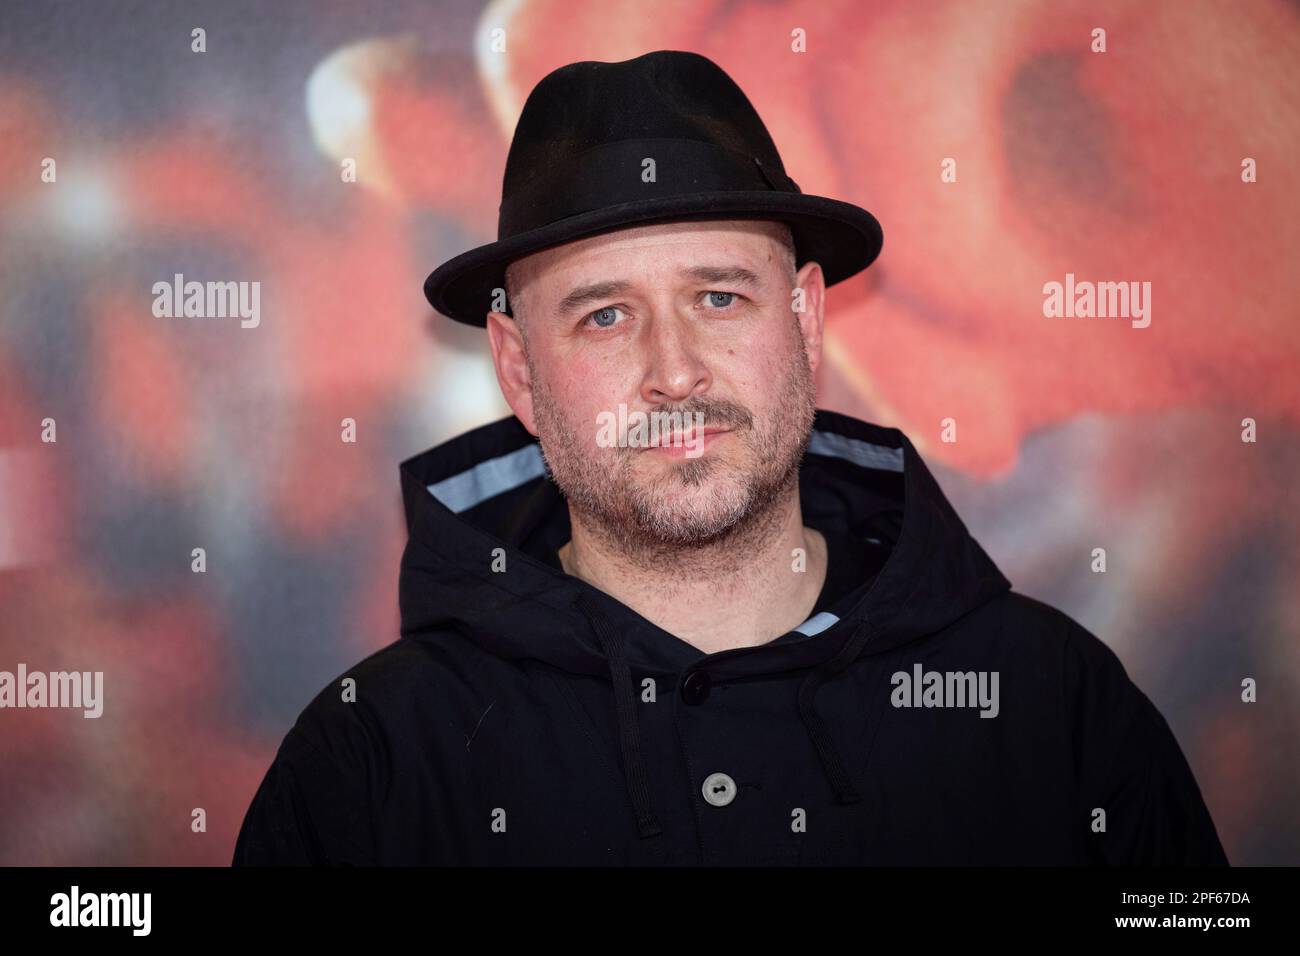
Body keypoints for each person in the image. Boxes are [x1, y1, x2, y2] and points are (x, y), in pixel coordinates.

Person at [232, 50, 1227, 866]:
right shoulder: (371, 766)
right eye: (606, 314)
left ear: (804, 317)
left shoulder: (1055, 704)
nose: (675, 371)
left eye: (718, 297)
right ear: (518, 366)